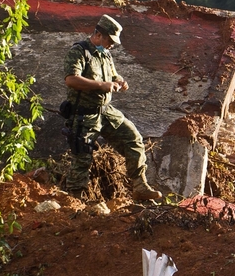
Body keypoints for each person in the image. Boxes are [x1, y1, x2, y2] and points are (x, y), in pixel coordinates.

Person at [62, 15, 163, 201]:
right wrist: (102, 85)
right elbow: (71, 80)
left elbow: (113, 75)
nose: (112, 45)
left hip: (105, 111)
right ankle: (74, 201)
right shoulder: (79, 52)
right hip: (84, 113)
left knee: (133, 138)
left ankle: (139, 185)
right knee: (82, 157)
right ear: (99, 35)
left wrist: (120, 81)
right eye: (110, 41)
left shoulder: (105, 55)